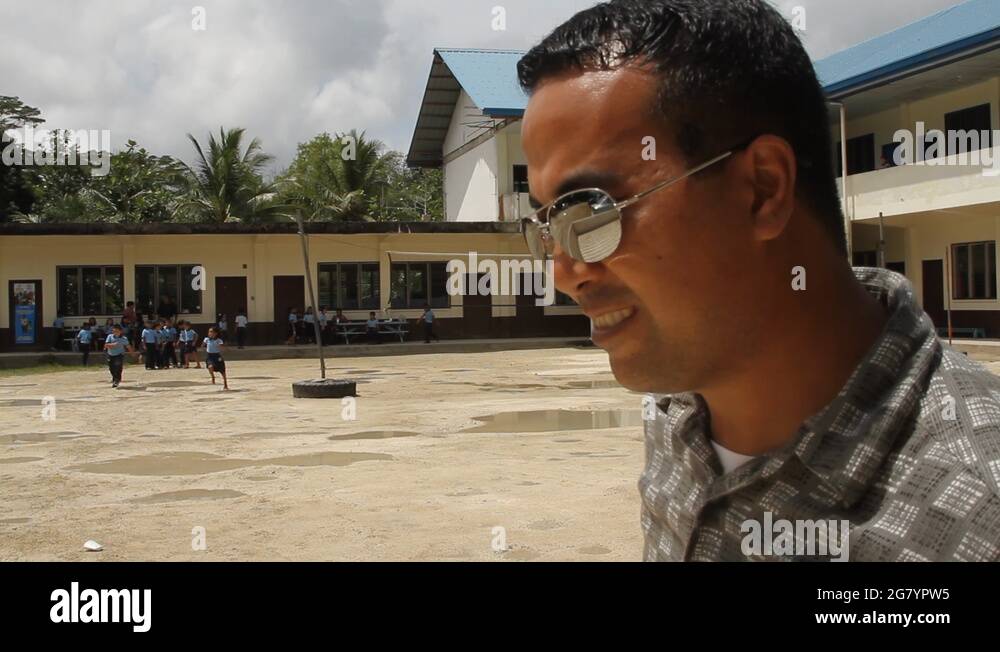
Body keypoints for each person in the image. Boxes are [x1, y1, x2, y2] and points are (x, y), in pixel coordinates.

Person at [518, 0, 1000, 562]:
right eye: (548, 226)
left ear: (763, 189)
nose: (564, 273)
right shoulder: (677, 417)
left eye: (592, 212)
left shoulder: (976, 504)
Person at [103, 324, 135, 389]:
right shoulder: (110, 336)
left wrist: (132, 353)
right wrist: (113, 345)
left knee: (118, 366)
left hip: (119, 354)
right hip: (110, 354)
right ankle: (114, 378)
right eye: (114, 331)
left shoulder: (124, 339)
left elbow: (128, 346)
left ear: (120, 331)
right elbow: (106, 345)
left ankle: (117, 380)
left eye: (117, 331)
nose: (115, 332)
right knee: (111, 368)